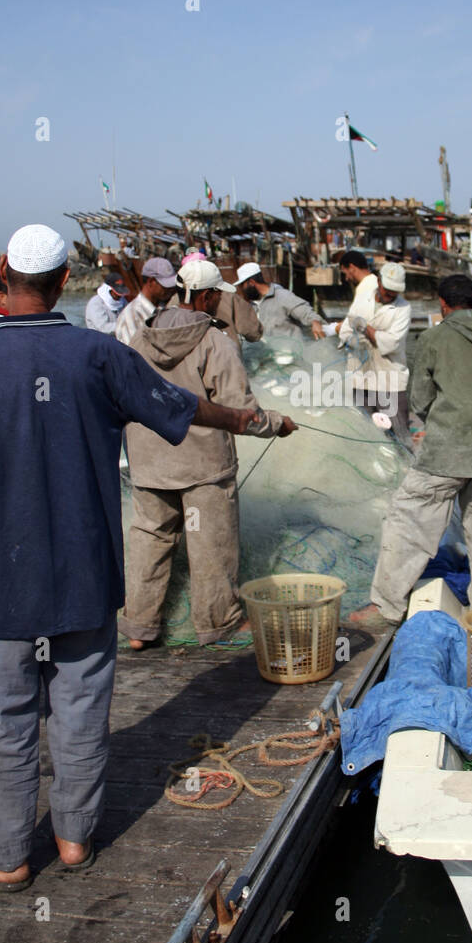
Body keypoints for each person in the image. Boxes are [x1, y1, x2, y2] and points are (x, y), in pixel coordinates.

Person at [0, 225, 257, 893]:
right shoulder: (99, 355)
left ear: (4, 272)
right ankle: (74, 841)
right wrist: (247, 419)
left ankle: (5, 859)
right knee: (80, 713)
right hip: (86, 579)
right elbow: (181, 407)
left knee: (1, 724)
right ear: (65, 279)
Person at [120, 258, 297, 650]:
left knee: (150, 540)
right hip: (202, 466)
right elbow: (242, 413)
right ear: (206, 296)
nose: (220, 301)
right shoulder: (215, 342)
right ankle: (219, 624)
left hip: (148, 463)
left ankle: (138, 627)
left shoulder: (140, 337)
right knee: (210, 544)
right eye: (217, 295)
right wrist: (278, 424)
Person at [350, 273, 472, 629]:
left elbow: (420, 398)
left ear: (442, 305)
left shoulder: (434, 338)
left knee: (408, 522)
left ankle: (386, 607)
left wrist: (429, 422)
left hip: (447, 452)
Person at [342, 261, 412, 444]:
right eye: (387, 289)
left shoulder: (404, 308)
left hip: (390, 379)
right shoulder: (362, 298)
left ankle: (404, 460)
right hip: (360, 376)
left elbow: (391, 342)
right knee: (362, 432)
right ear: (379, 281)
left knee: (399, 433)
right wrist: (356, 339)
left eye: (395, 291)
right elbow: (346, 330)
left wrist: (365, 328)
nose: (390, 294)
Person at [236, 262, 324, 340]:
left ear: (251, 282)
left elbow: (305, 312)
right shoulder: (252, 306)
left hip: (292, 350)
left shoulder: (282, 296)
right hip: (265, 351)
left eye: (242, 285)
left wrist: (315, 322)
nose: (242, 289)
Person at [336, 250, 377, 342]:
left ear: (352, 267)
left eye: (345, 273)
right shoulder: (373, 281)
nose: (346, 278)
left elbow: (356, 320)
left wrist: (335, 328)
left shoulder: (365, 288)